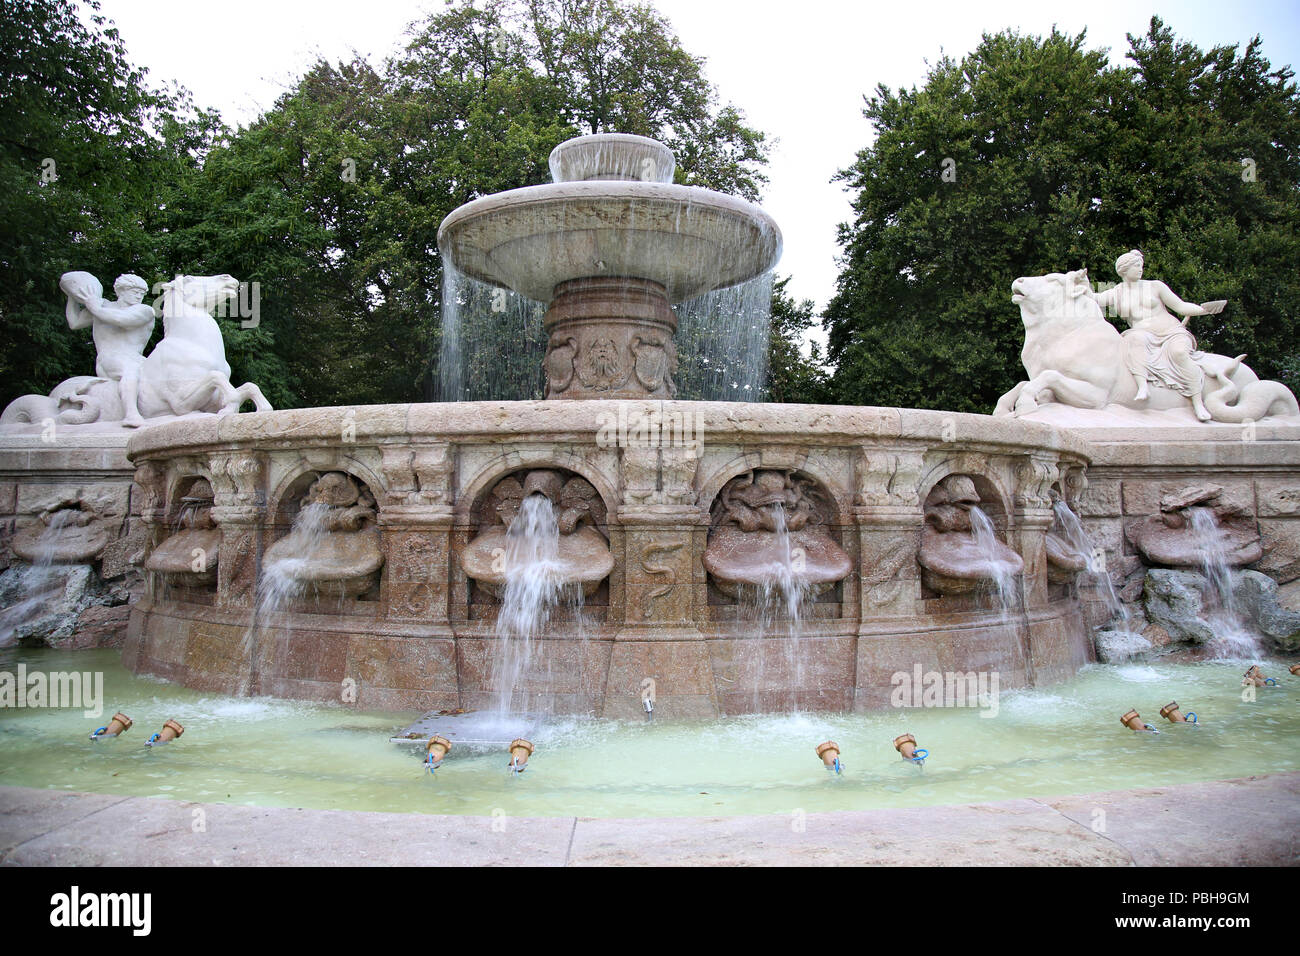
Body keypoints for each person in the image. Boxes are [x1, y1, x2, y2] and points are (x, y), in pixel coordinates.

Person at [1089, 250, 1226, 421]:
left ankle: (1198, 403)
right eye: (1136, 266)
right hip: (1143, 334)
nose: (1140, 269)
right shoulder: (1117, 292)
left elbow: (1181, 307)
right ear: (1124, 270)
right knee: (1133, 339)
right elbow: (1093, 298)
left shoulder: (1155, 286)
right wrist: (1077, 284)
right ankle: (1142, 387)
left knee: (1179, 354)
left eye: (1141, 266)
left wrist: (1204, 310)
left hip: (1170, 331)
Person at [62, 273, 155, 426]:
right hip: (110, 359)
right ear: (121, 291)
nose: (139, 296)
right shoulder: (103, 305)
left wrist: (93, 306)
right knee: (130, 370)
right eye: (134, 291)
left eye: (142, 293)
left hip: (138, 358)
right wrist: (72, 295)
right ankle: (131, 414)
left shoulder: (145, 310)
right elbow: (75, 322)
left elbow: (121, 320)